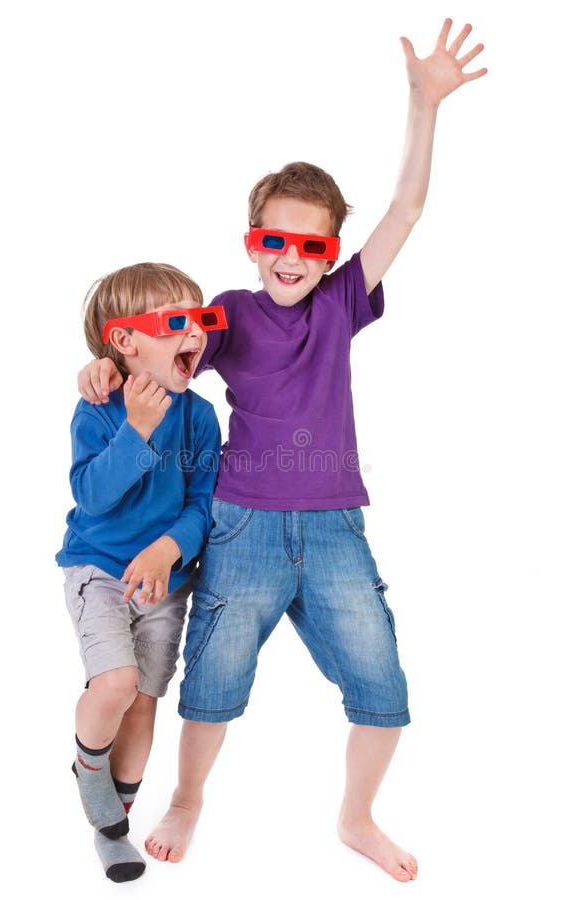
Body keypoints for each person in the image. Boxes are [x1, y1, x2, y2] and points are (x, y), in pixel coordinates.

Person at [78, 20, 486, 882]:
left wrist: (423, 105)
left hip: (336, 528)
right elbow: (167, 351)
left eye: (310, 244)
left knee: (384, 695)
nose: (291, 258)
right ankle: (187, 799)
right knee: (210, 692)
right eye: (275, 239)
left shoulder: (341, 302)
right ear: (251, 240)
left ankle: (356, 816)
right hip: (241, 530)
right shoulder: (226, 310)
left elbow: (406, 209)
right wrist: (104, 368)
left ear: (330, 252)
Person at [57, 262, 224, 881]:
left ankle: (114, 827)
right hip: (97, 570)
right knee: (115, 685)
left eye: (201, 320)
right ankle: (91, 772)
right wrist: (139, 428)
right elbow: (92, 496)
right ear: (124, 342)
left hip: (165, 582)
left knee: (144, 703)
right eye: (176, 322)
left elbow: (203, 503)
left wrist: (169, 550)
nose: (196, 333)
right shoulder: (98, 405)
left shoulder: (201, 416)